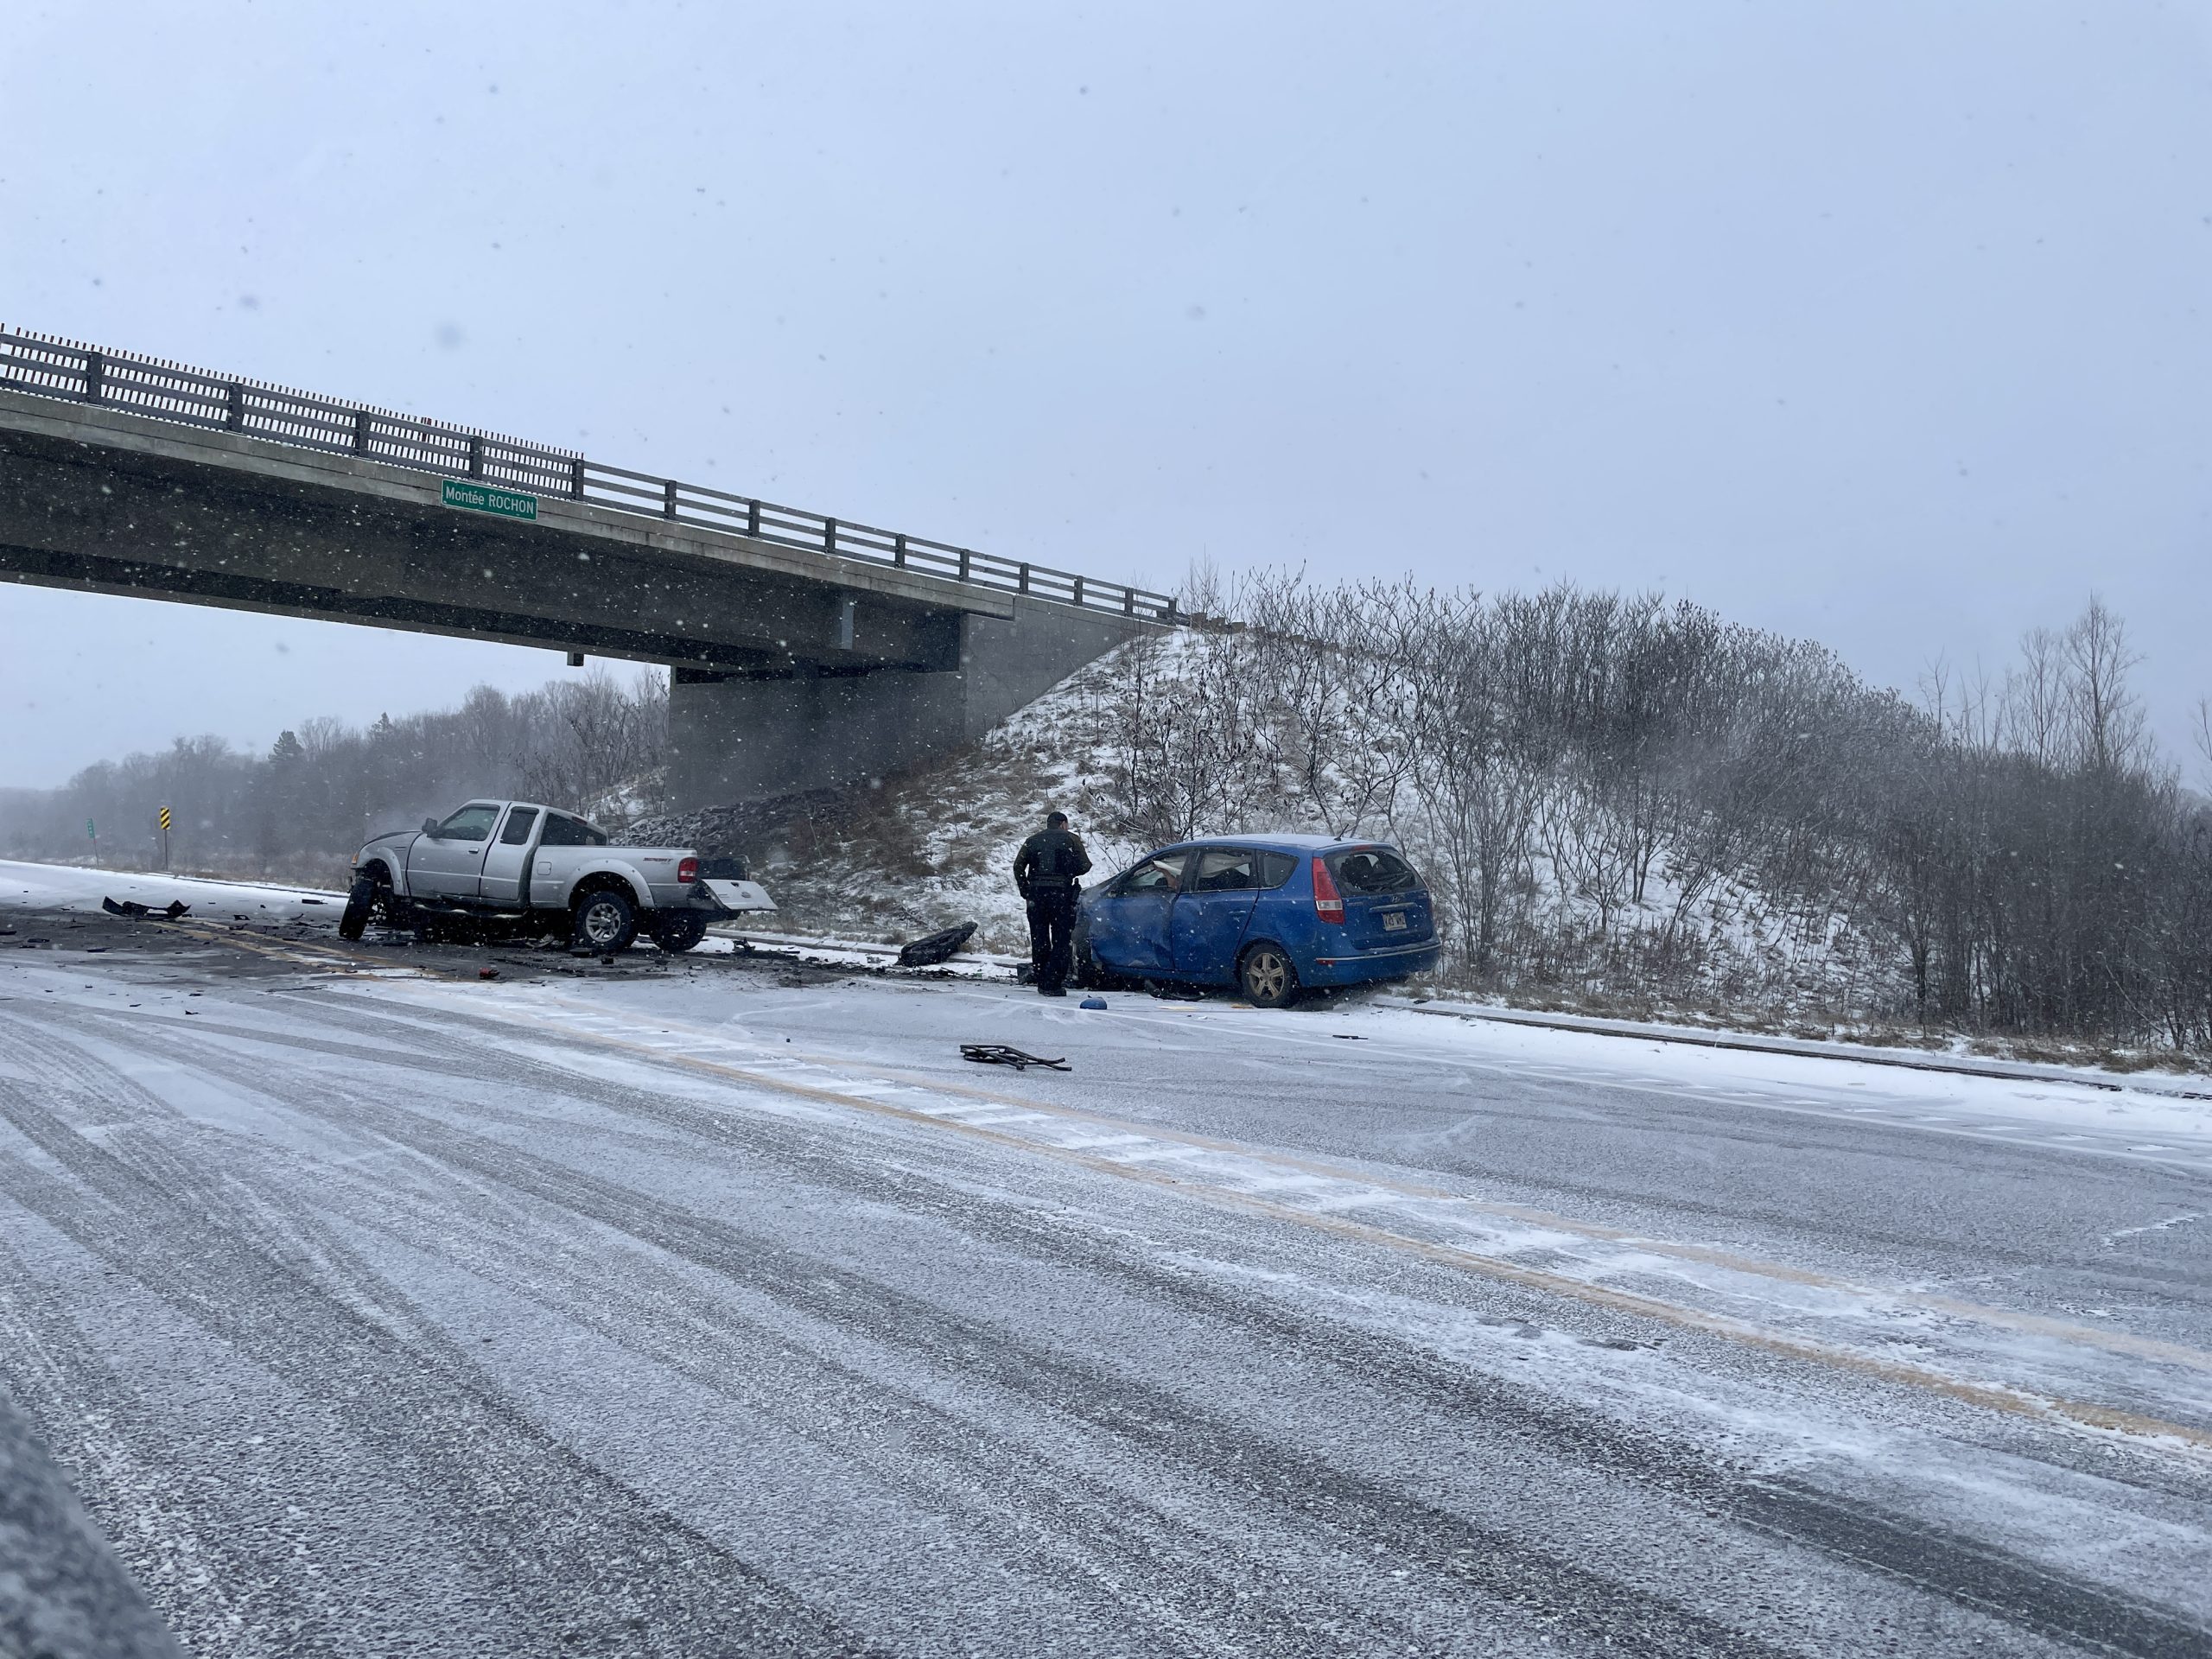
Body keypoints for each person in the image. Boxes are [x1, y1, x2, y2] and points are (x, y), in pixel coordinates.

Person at [1013, 810, 1091, 996]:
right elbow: (1085, 865)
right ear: (1063, 824)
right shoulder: (1071, 839)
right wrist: (1069, 872)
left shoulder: (1032, 840)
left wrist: (1025, 890)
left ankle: (1041, 978)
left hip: (1036, 896)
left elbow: (1018, 866)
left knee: (1039, 938)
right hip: (1061, 895)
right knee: (1061, 939)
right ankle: (1053, 982)